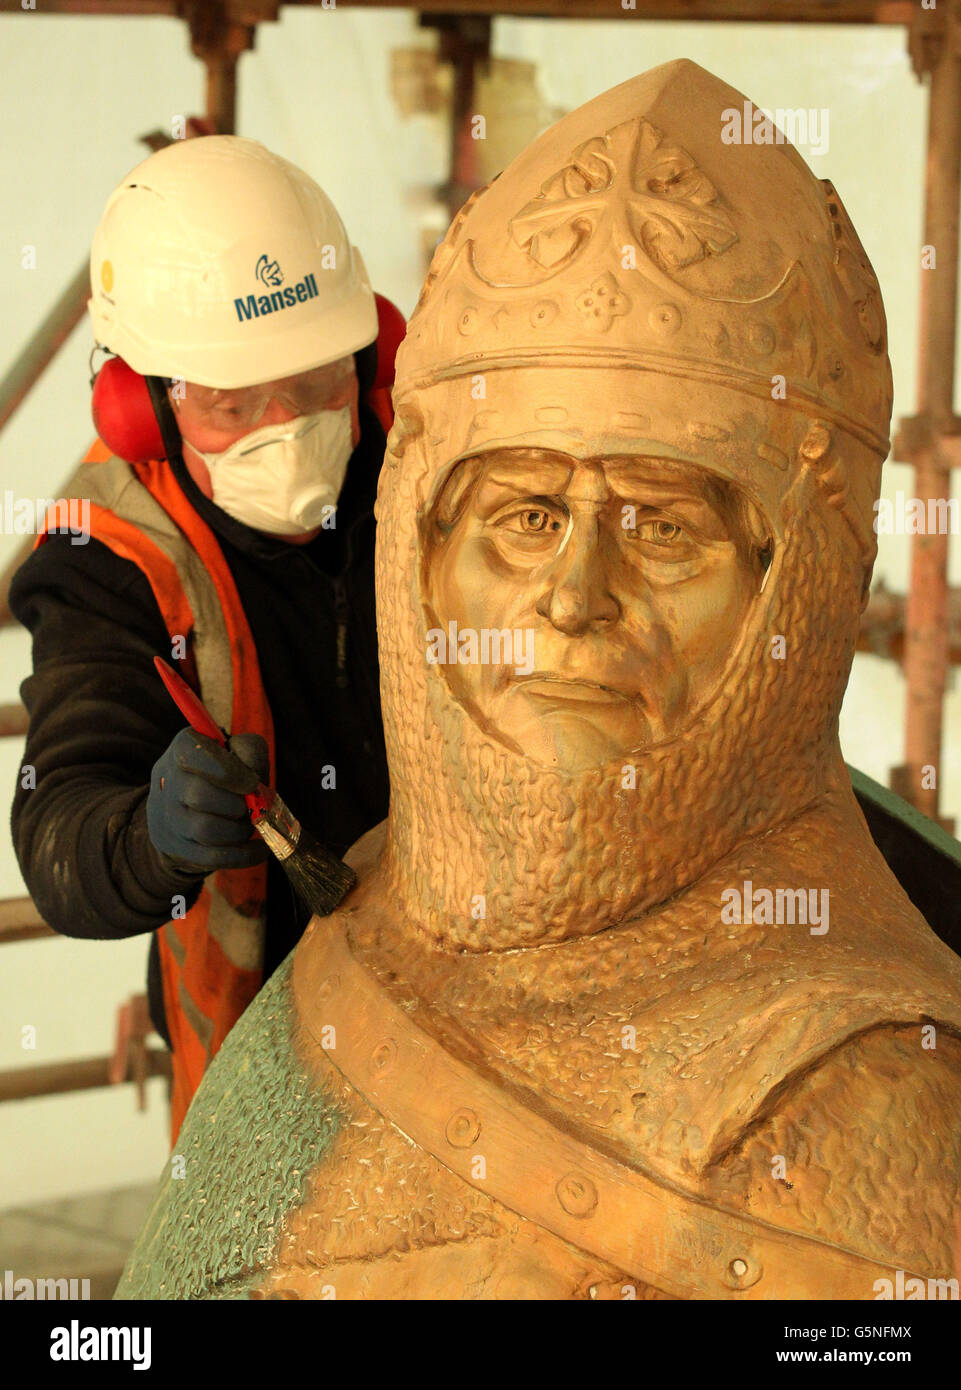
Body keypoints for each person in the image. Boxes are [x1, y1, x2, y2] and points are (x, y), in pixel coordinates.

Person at [117, 62, 961, 1299]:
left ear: (805, 579)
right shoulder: (372, 902)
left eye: (665, 527)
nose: (574, 597)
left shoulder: (873, 1111)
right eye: (521, 514)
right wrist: (127, 841)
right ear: (423, 534)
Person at [10, 136, 401, 1141]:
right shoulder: (106, 553)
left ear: (373, 349)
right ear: (142, 402)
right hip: (268, 1042)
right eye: (232, 404)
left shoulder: (432, 457)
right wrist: (149, 838)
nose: (290, 426)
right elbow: (59, 835)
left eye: (317, 385)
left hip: (480, 967)